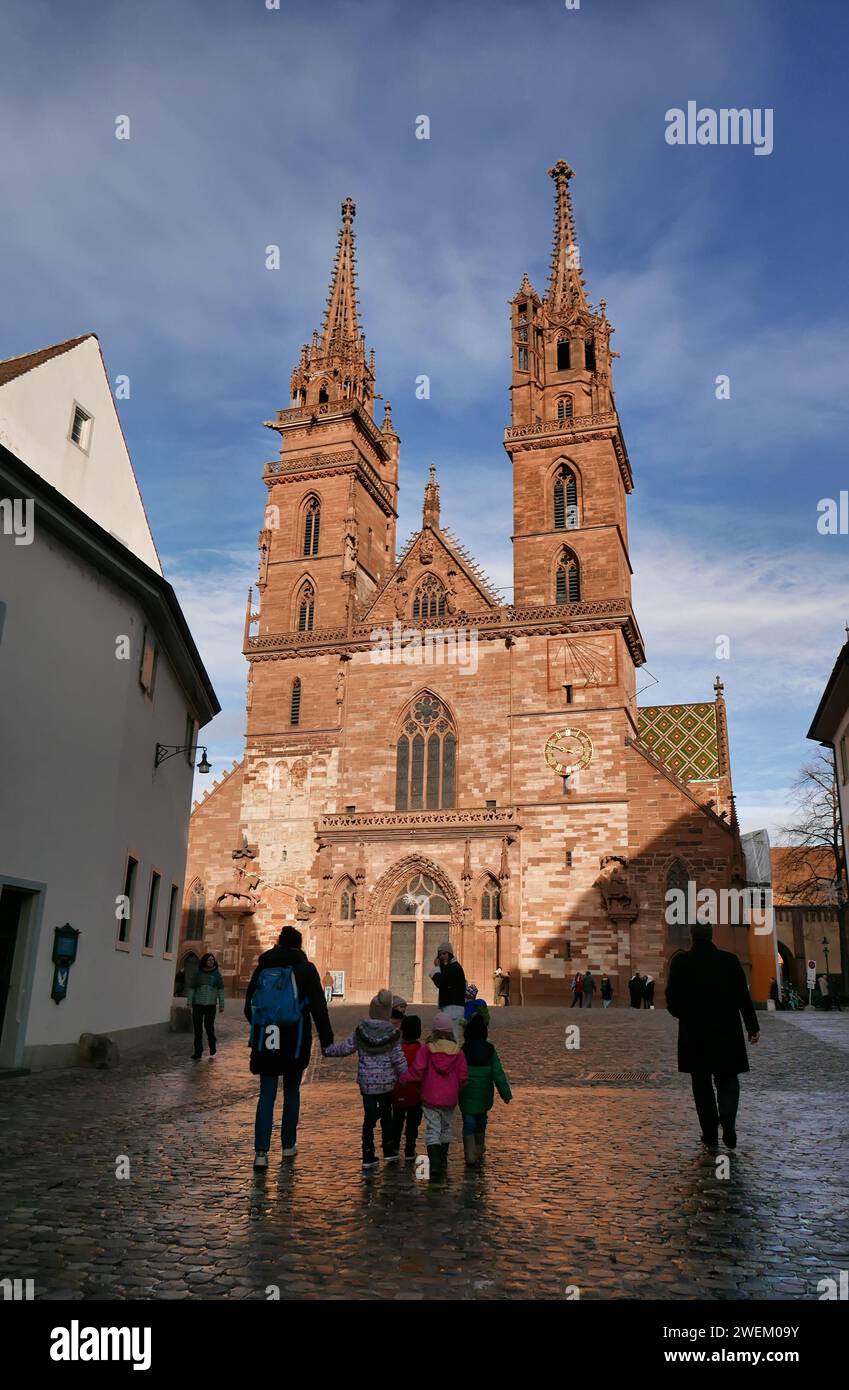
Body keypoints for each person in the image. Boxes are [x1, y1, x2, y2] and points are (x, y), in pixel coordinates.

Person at [244, 924, 333, 1170]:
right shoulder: (305, 968)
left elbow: (248, 1005)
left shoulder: (264, 966)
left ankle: (261, 1153)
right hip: (295, 1037)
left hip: (266, 1037)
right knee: (292, 1091)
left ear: (279, 942)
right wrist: (327, 1042)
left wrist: (263, 1024)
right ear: (299, 945)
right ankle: (288, 1145)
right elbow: (319, 1008)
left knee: (267, 1094)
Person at [666, 922, 760, 1151]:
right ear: (711, 936)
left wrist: (685, 1015)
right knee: (727, 1079)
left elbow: (673, 1001)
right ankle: (727, 1116)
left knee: (701, 1084)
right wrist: (752, 1027)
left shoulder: (681, 962)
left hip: (694, 1033)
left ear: (692, 936)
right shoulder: (729, 960)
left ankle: (710, 1134)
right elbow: (742, 996)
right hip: (727, 1031)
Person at [323, 988, 406, 1170]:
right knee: (387, 1117)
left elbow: (346, 1047)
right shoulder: (392, 1033)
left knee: (369, 1119)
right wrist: (406, 1075)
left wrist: (328, 1051)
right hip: (386, 1085)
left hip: (367, 1085)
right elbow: (398, 1058)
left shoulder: (361, 1031)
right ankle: (389, 1150)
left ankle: (368, 1154)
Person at [398, 1010, 468, 1176]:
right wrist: (459, 1088)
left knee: (433, 1130)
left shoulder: (427, 1050)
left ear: (434, 1030)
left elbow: (417, 1070)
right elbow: (463, 1076)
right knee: (445, 1128)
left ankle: (434, 1164)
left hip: (430, 1096)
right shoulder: (458, 1052)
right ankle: (442, 1160)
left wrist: (403, 1078)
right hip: (450, 1098)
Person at [459, 1011, 512, 1166]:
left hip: (466, 1093)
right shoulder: (489, 1050)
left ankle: (469, 1152)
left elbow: (456, 1071)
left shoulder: (464, 1049)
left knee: (468, 1121)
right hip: (483, 1095)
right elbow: (498, 1073)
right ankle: (479, 1147)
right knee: (481, 1120)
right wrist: (505, 1094)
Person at [391, 1014, 424, 1160]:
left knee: (397, 1121)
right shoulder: (422, 1050)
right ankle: (410, 1149)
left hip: (398, 1091)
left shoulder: (397, 1049)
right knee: (413, 1124)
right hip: (416, 1093)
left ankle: (394, 1147)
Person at [187, 952, 224, 1060]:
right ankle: (198, 1051)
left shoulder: (217, 975)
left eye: (212, 960)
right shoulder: (198, 974)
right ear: (204, 961)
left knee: (209, 1027)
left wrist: (222, 1004)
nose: (211, 962)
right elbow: (192, 988)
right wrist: (189, 1001)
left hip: (210, 1005)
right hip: (197, 1004)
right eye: (209, 960)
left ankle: (212, 1044)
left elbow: (220, 990)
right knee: (197, 1029)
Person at [429, 942, 466, 1039]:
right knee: (449, 1034)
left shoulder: (453, 967)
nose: (442, 956)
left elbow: (440, 983)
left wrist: (436, 968)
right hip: (451, 1006)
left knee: (452, 1034)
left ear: (450, 953)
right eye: (440, 954)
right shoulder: (449, 966)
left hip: (453, 1007)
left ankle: (453, 1053)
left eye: (444, 953)